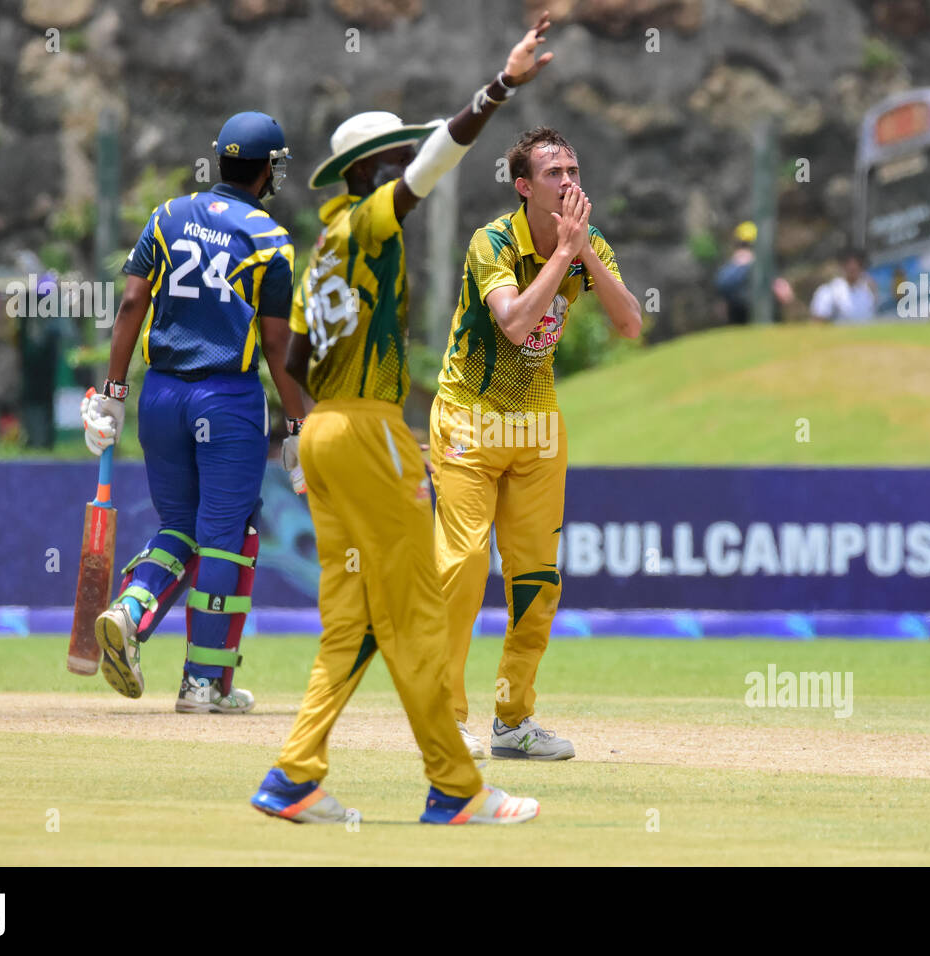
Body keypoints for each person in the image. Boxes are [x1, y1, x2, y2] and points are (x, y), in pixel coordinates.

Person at [249, 13, 555, 826]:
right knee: (417, 612)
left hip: (320, 434)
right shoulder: (371, 221)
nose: (404, 170)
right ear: (368, 170)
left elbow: (296, 359)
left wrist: (309, 437)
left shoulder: (321, 250)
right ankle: (454, 787)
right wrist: (501, 86)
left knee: (351, 622)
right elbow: (434, 161)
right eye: (392, 159)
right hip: (371, 430)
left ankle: (293, 777)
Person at [428, 127, 642, 762]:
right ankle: (443, 718)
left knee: (538, 581)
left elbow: (630, 323)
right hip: (469, 417)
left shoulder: (588, 244)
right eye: (555, 173)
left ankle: (513, 722)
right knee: (463, 566)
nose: (570, 182)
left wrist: (586, 255)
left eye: (574, 170)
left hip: (538, 427)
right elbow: (518, 324)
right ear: (524, 187)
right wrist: (560, 258)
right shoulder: (490, 240)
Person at [80, 111, 305, 714]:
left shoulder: (167, 215)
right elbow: (279, 345)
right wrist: (298, 424)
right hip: (225, 399)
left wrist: (112, 393)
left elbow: (131, 303)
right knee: (227, 539)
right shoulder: (268, 238)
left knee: (178, 530)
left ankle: (129, 613)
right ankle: (204, 684)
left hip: (159, 396)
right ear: (267, 169)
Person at [810, 250, 878, 323]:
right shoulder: (829, 289)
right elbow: (819, 319)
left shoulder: (868, 288)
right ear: (842, 267)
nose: (853, 268)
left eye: (857, 265)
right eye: (849, 266)